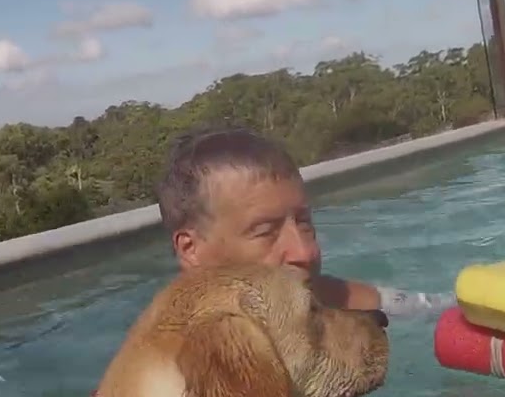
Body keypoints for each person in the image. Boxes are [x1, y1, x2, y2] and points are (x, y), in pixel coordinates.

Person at [155, 126, 456, 318]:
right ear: (191, 249)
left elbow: (432, 308)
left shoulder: (322, 298)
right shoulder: (170, 369)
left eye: (303, 222)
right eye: (265, 232)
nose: (306, 252)